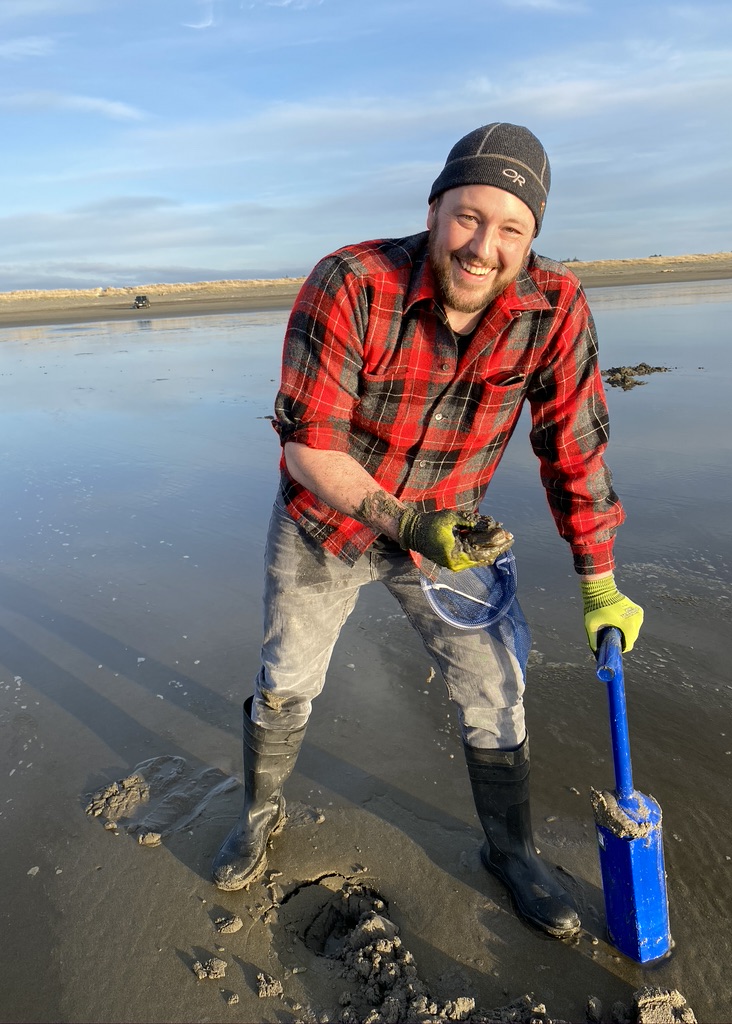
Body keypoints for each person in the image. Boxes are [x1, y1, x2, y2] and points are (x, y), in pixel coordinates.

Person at [212, 122, 643, 938]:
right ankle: (259, 815)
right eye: (469, 217)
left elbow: (575, 449)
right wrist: (406, 519)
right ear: (436, 207)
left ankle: (511, 852)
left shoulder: (555, 307)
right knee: (286, 679)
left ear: (533, 237)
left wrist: (600, 580)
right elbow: (310, 444)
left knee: (497, 687)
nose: (484, 247)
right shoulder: (351, 281)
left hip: (456, 535)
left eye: (512, 228)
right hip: (326, 525)